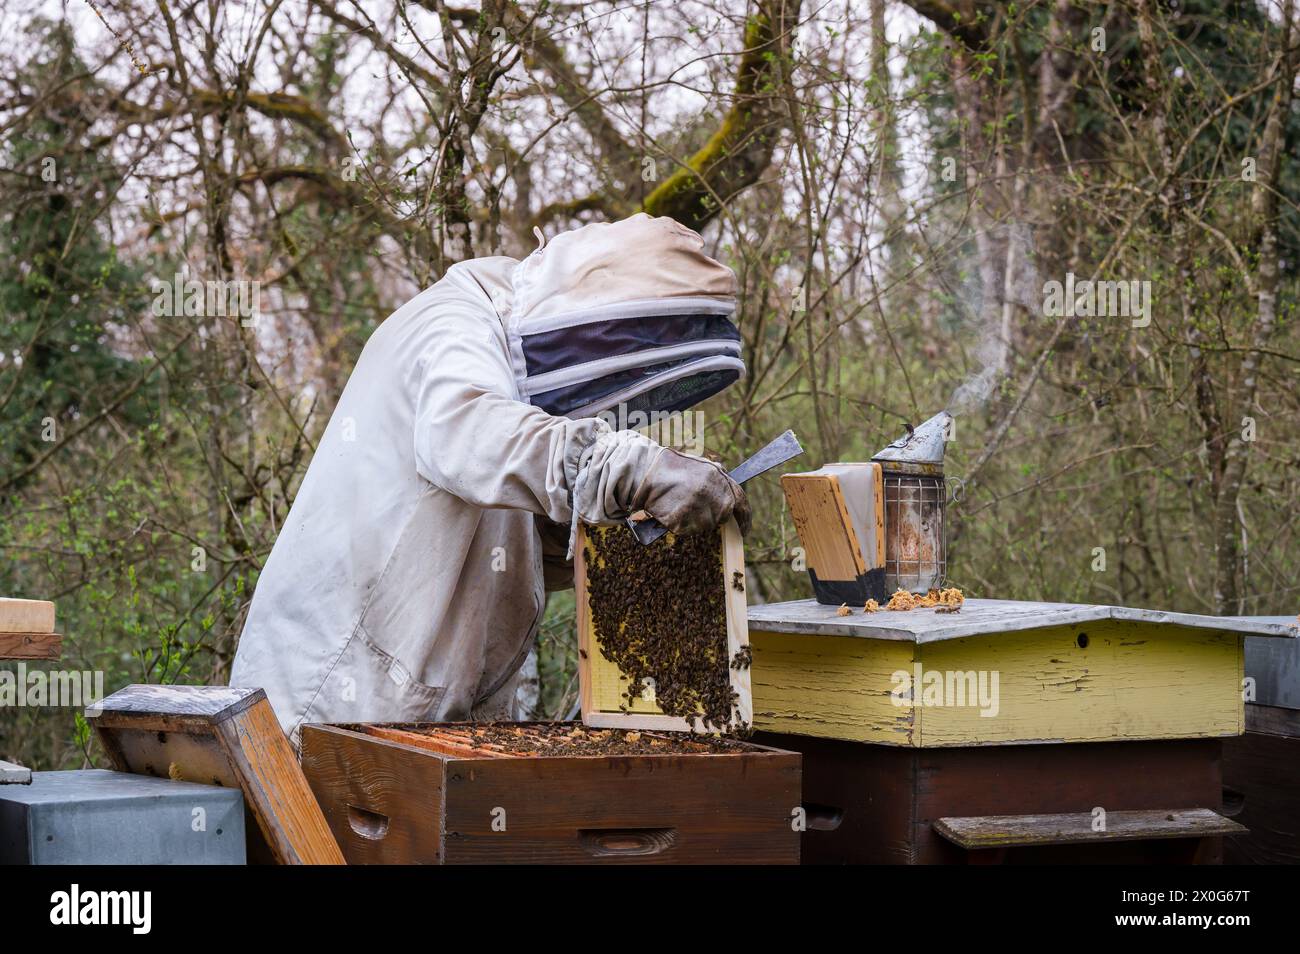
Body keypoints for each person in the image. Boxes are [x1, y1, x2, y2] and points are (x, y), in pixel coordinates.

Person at [230, 213, 750, 746]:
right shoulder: (454, 326)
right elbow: (469, 436)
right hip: (328, 707)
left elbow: (505, 538)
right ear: (599, 313)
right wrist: (638, 471)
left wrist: (638, 534)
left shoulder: (502, 372)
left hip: (419, 721)